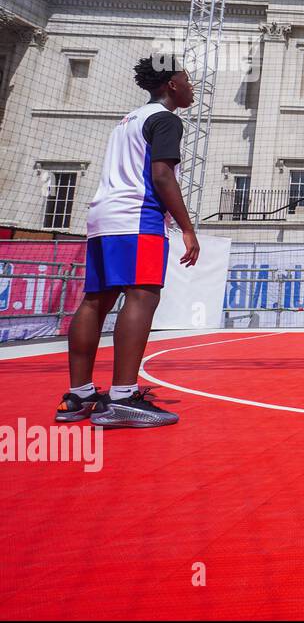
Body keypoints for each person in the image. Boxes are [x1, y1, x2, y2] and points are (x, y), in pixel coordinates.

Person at [56, 55, 200, 428]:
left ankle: (79, 395)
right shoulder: (166, 119)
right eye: (186, 79)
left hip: (102, 215)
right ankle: (122, 397)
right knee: (142, 295)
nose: (190, 85)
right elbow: (162, 175)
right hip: (137, 216)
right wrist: (186, 227)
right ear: (171, 84)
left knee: (96, 301)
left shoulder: (126, 121)